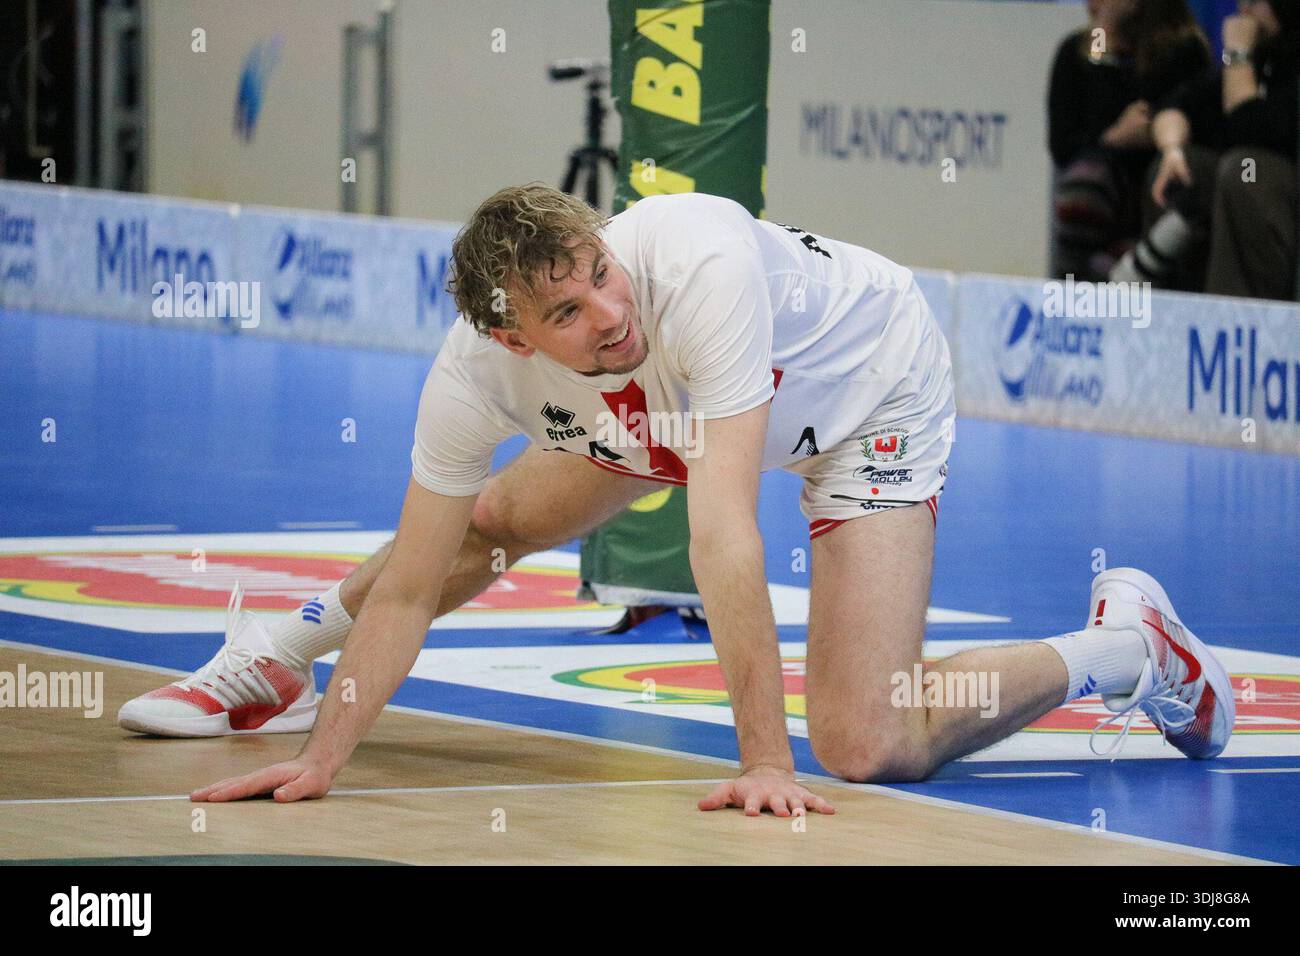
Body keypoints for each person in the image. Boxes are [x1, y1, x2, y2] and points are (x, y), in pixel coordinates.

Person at [119, 185, 1236, 816]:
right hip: (671, 405)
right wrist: (328, 760)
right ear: (512, 338)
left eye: (601, 272)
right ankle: (280, 655)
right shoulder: (471, 379)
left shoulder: (690, 275)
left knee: (867, 738)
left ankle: (1124, 645)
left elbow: (723, 534)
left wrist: (764, 759)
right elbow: (411, 581)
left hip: (866, 394)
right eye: (566, 310)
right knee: (490, 523)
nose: (607, 312)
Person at [1113, 0, 1299, 298]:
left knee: (1244, 167)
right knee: (1185, 166)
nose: (1244, 12)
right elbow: (1174, 107)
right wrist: (1173, 150)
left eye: (1255, 2)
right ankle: (1162, 307)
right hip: (1242, 191)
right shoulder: (1261, 58)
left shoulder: (1263, 60)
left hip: (1274, 197)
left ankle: (1231, 316)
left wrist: (1237, 54)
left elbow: (1248, 127)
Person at [1048, 0, 1211, 280]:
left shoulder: (1183, 48)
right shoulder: (1074, 51)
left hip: (1154, 177)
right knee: (1086, 179)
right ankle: (1070, 296)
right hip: (1105, 186)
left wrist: (1147, 132)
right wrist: (1111, 139)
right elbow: (1063, 145)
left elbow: (1168, 110)